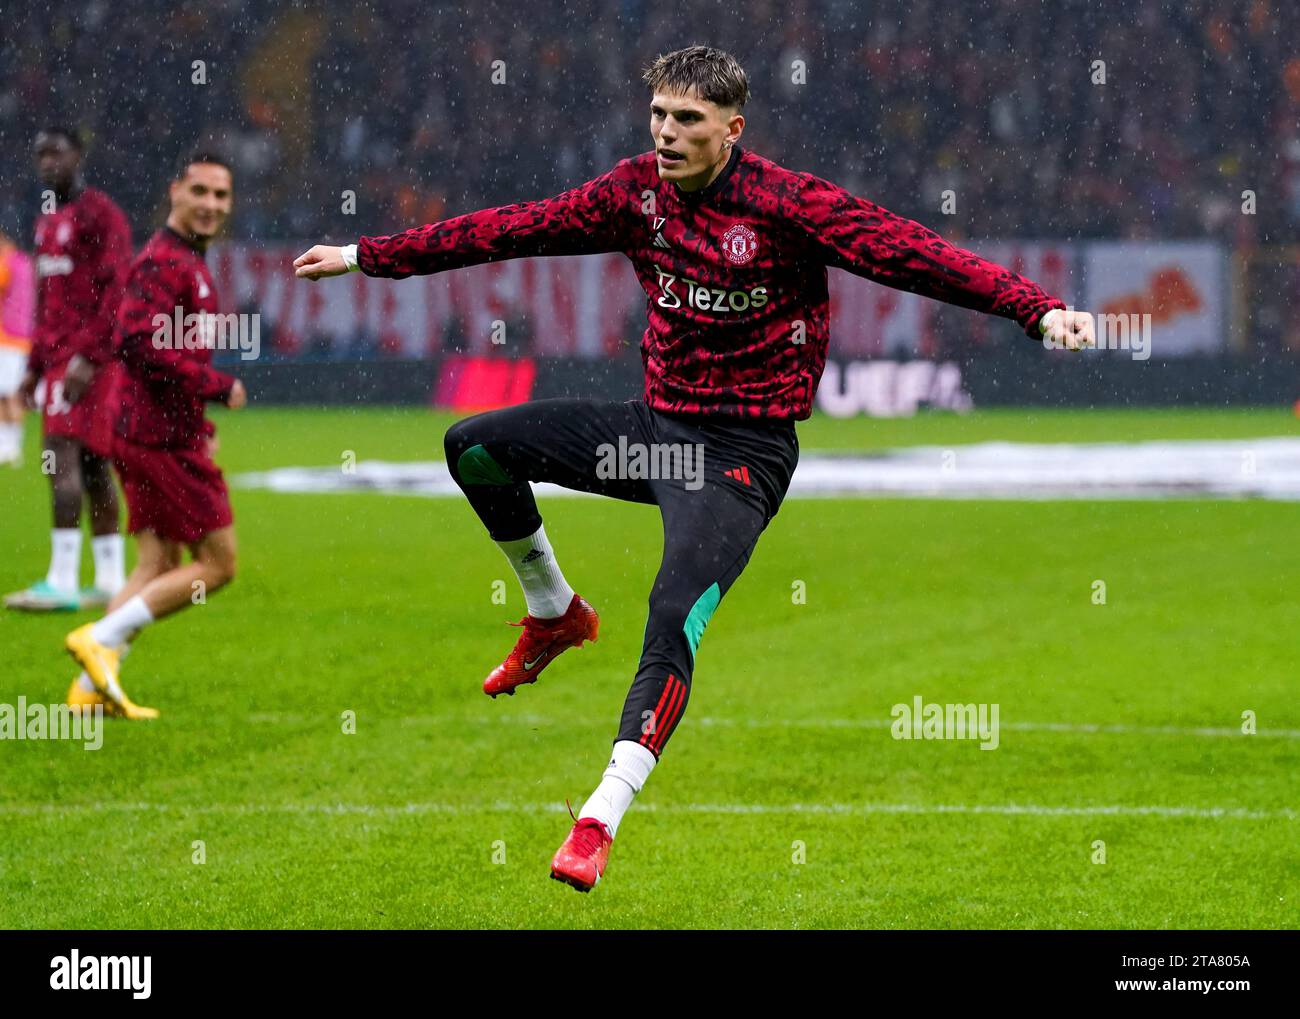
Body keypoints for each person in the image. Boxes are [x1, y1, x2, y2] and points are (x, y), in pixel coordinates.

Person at [294, 46, 1095, 891]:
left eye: (687, 121)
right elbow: (511, 228)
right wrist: (364, 254)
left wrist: (1034, 308)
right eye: (659, 117)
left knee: (673, 611)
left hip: (742, 456)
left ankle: (600, 813)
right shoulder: (632, 193)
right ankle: (554, 611)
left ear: (732, 129)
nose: (667, 134)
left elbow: (906, 250)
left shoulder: (789, 204)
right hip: (655, 433)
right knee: (476, 446)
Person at [66, 152, 247, 720]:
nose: (211, 204)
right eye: (200, 191)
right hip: (159, 442)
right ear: (175, 191)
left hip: (155, 431)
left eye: (221, 195)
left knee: (155, 562)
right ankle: (99, 638)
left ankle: (88, 690)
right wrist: (218, 387)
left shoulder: (186, 261)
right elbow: (137, 344)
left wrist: (203, 420)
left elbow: (173, 351)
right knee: (218, 564)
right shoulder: (162, 263)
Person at [6, 128, 132, 612]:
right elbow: (47, 300)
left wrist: (87, 358)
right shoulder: (46, 221)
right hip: (58, 360)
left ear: (78, 155)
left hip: (85, 362)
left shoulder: (101, 215)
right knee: (95, 465)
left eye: (56, 152)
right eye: (39, 154)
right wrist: (35, 366)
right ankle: (110, 580)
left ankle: (60, 581)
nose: (47, 162)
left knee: (59, 458)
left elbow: (117, 289)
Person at [0, 228, 35, 466]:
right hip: (25, 338)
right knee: (11, 393)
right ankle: (10, 445)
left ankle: (9, 447)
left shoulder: (7, 264)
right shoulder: (27, 263)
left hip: (8, 338)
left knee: (7, 394)